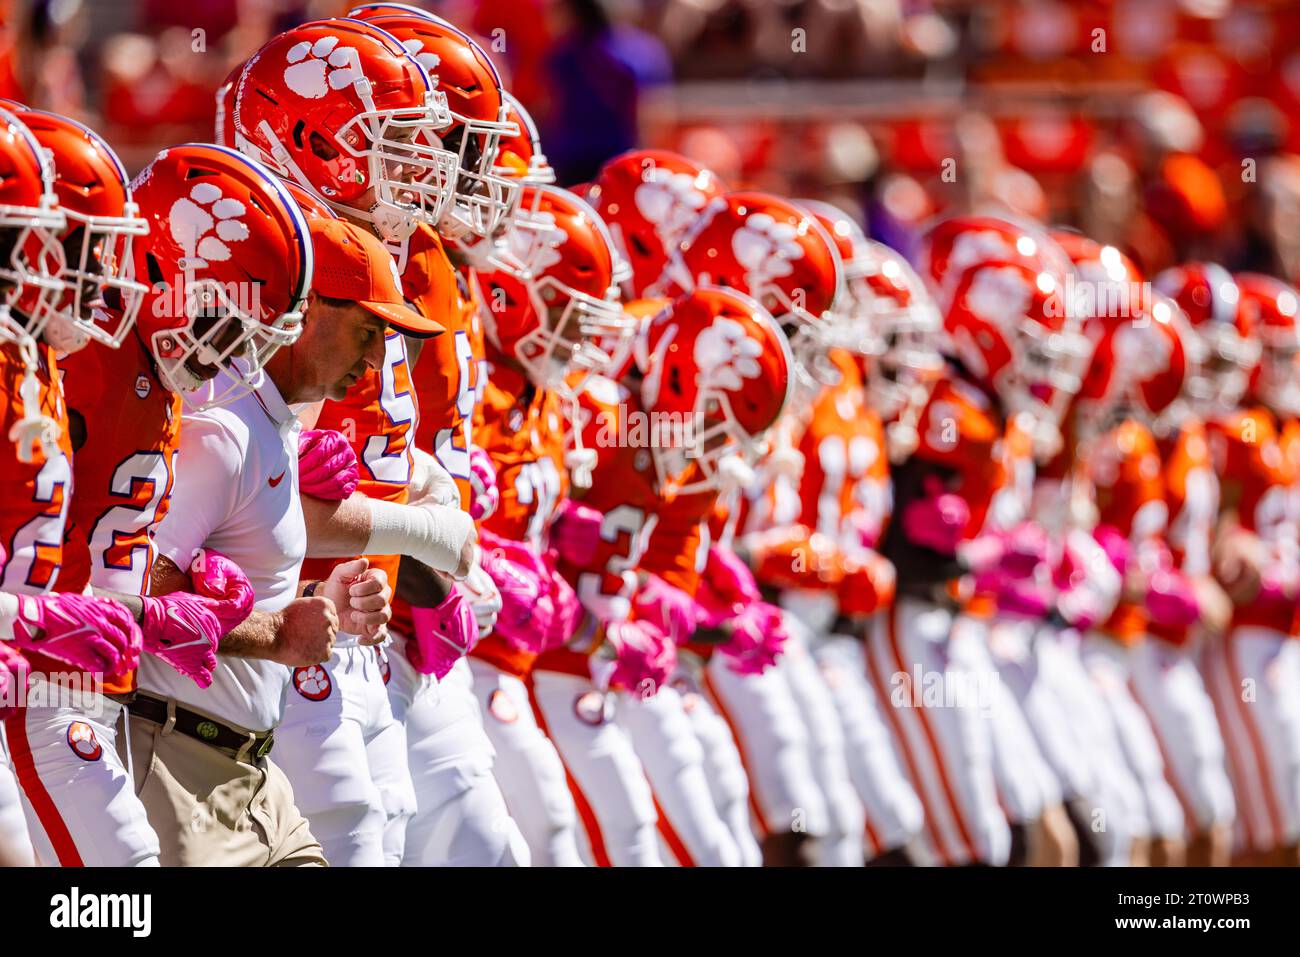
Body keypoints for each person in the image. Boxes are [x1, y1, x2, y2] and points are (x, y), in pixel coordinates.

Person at [127, 217, 404, 867]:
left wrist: (317, 596)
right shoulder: (225, 427)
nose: (375, 359)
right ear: (308, 313)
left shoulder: (270, 420)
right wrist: (278, 634)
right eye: (368, 331)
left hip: (254, 769)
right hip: (179, 758)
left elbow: (226, 579)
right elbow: (138, 594)